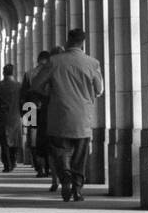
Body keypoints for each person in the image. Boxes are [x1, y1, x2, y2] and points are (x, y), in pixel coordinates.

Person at [33, 29, 104, 203]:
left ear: (68, 41)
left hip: (59, 117)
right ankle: (77, 190)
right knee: (80, 157)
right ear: (83, 43)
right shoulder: (92, 63)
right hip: (83, 118)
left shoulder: (54, 61)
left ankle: (65, 179)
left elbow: (35, 85)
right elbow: (100, 90)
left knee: (60, 153)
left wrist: (50, 93)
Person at [21, 51, 52, 180]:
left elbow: (23, 95)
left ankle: (39, 168)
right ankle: (49, 167)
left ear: (38, 60)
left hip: (31, 108)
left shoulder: (29, 74)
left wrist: (24, 115)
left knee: (33, 139)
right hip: (48, 108)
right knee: (48, 137)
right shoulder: (51, 72)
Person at [0, 63, 23, 172]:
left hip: (2, 117)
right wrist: (25, 116)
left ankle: (7, 164)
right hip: (16, 117)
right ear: (13, 72)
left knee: (4, 142)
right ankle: (13, 160)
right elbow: (26, 102)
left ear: (3, 72)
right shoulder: (20, 86)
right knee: (15, 140)